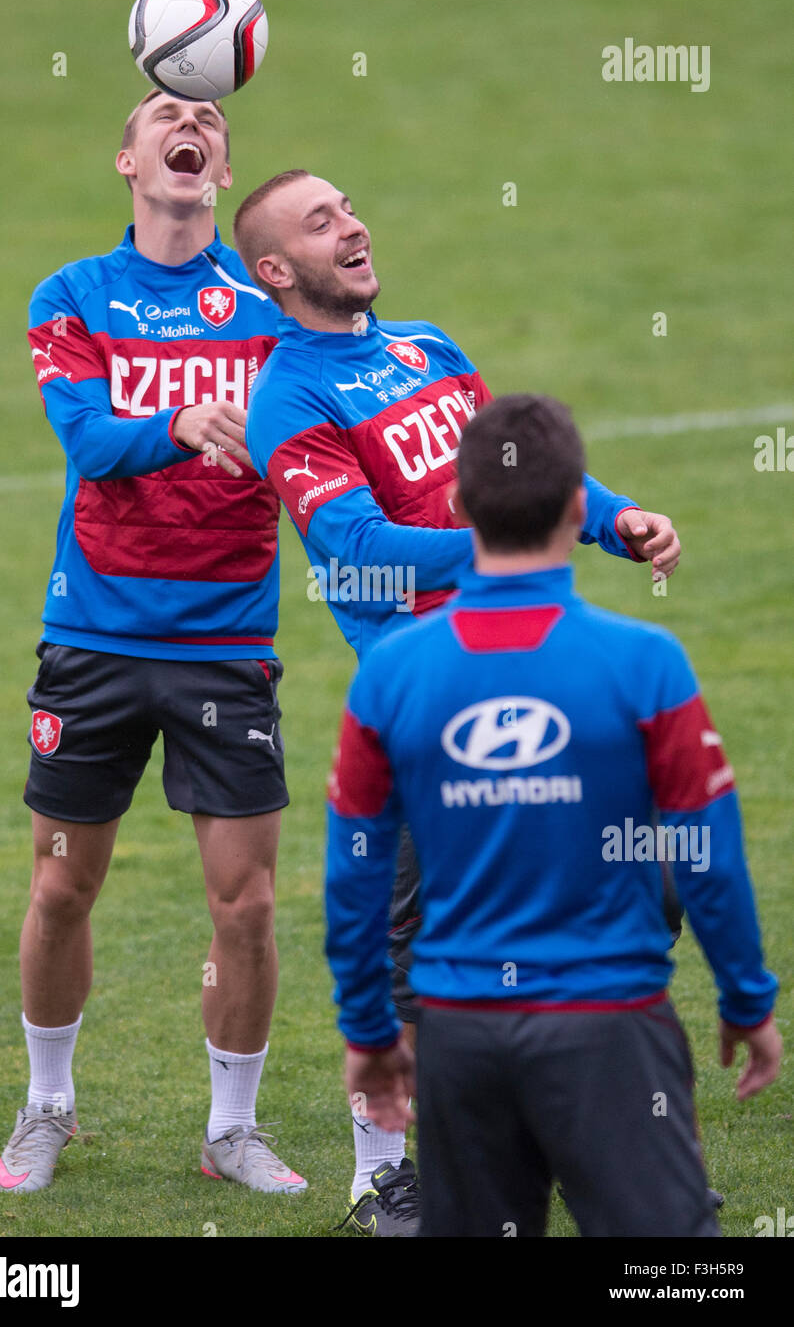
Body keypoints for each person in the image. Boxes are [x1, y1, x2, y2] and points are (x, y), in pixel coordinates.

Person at [227, 169, 681, 1232]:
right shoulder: (289, 395)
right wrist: (506, 549)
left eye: (349, 208)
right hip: (426, 700)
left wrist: (613, 519)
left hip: (534, 665)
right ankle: (386, 1174)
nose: (353, 225)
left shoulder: (426, 348)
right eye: (321, 221)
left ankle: (589, 1132)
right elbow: (355, 544)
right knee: (414, 940)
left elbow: (520, 475)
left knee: (644, 883)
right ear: (275, 270)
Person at [324, 392, 781, 1237]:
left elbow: (355, 878)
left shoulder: (391, 677)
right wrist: (748, 1000)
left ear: (456, 507)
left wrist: (368, 1031)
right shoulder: (645, 662)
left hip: (461, 1039)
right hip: (612, 1026)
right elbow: (707, 856)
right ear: (579, 507)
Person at [0, 90, 307, 1197]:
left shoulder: (272, 308)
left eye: (209, 121)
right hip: (95, 637)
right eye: (167, 113)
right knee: (61, 888)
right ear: (127, 159)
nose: (191, 126)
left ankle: (231, 1131)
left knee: (248, 904)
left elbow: (327, 442)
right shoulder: (74, 294)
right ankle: (47, 1105)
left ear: (221, 168)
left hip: (227, 642)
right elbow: (86, 438)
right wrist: (178, 423)